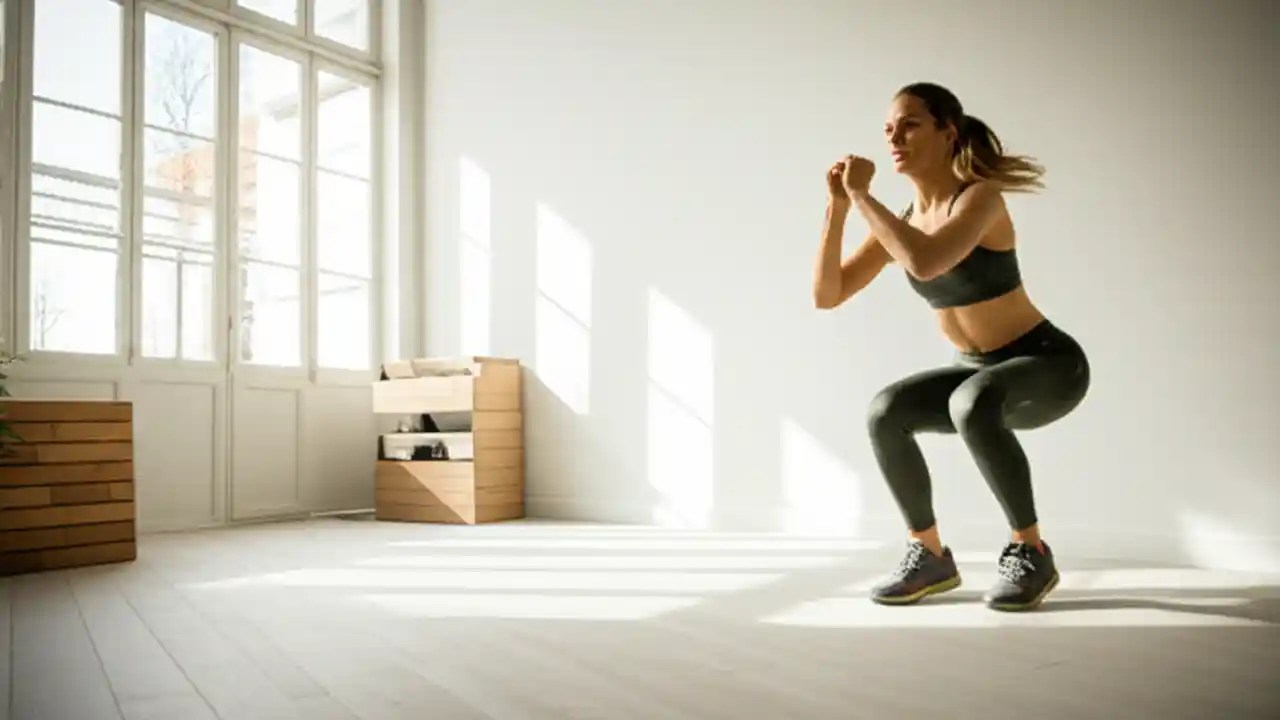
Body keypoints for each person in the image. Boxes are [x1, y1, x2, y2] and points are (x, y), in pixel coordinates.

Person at [812, 82, 1091, 611]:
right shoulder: (905, 221)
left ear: (948, 131)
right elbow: (829, 294)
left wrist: (863, 196)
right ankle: (930, 555)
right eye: (889, 127)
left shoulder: (980, 198)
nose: (895, 136)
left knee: (972, 401)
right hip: (977, 371)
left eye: (911, 123)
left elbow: (925, 262)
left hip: (1047, 362)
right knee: (886, 411)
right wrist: (839, 208)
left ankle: (1030, 551)